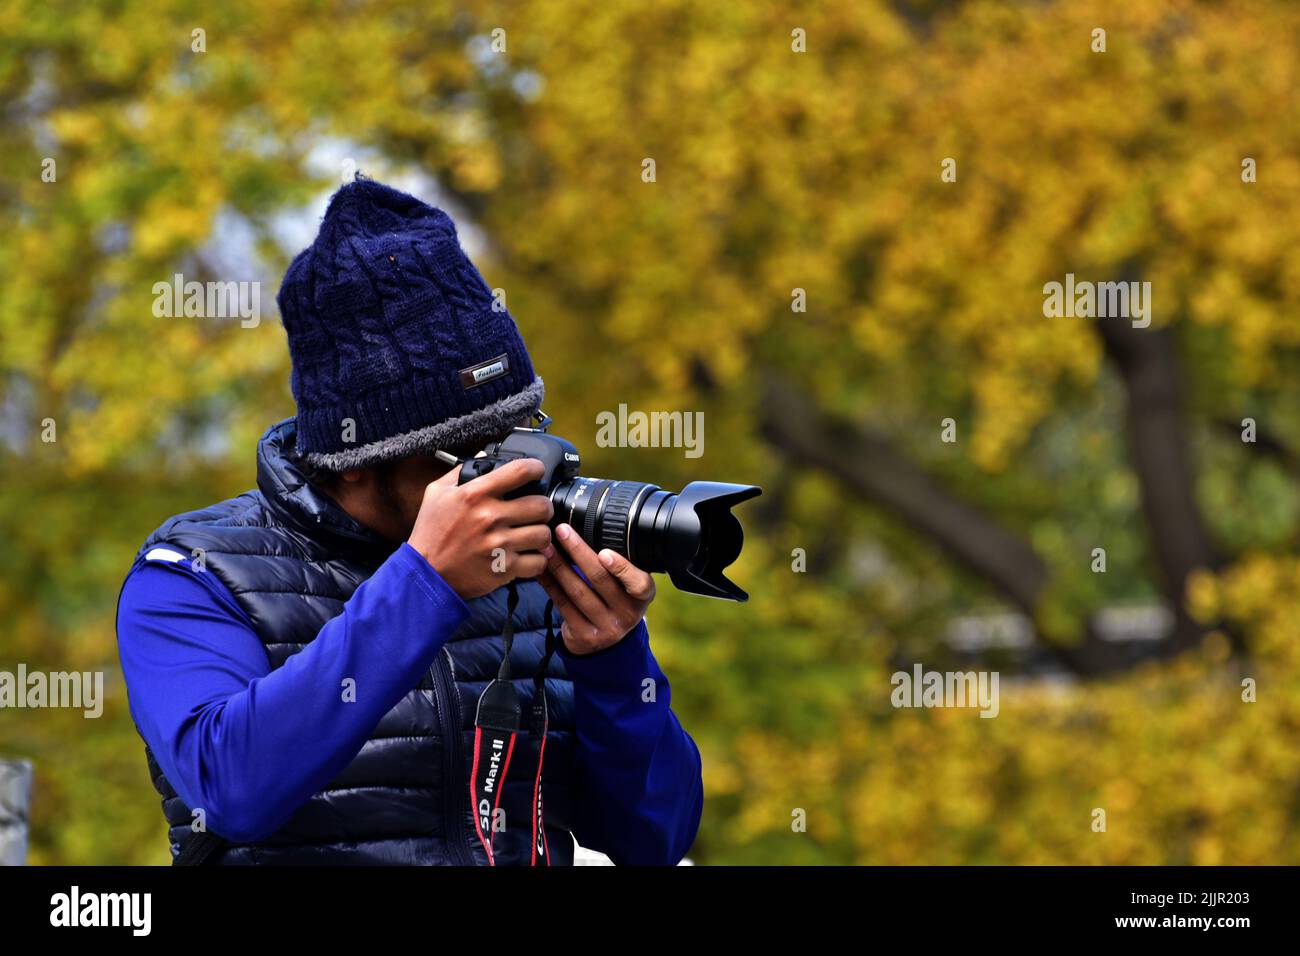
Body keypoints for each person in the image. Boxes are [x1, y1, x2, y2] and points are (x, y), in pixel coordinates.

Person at [115, 177, 703, 865]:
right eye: (469, 454)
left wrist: (613, 661)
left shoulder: (526, 576)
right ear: (356, 460)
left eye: (518, 436)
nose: (506, 475)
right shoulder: (195, 575)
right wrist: (425, 584)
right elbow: (231, 789)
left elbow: (654, 839)